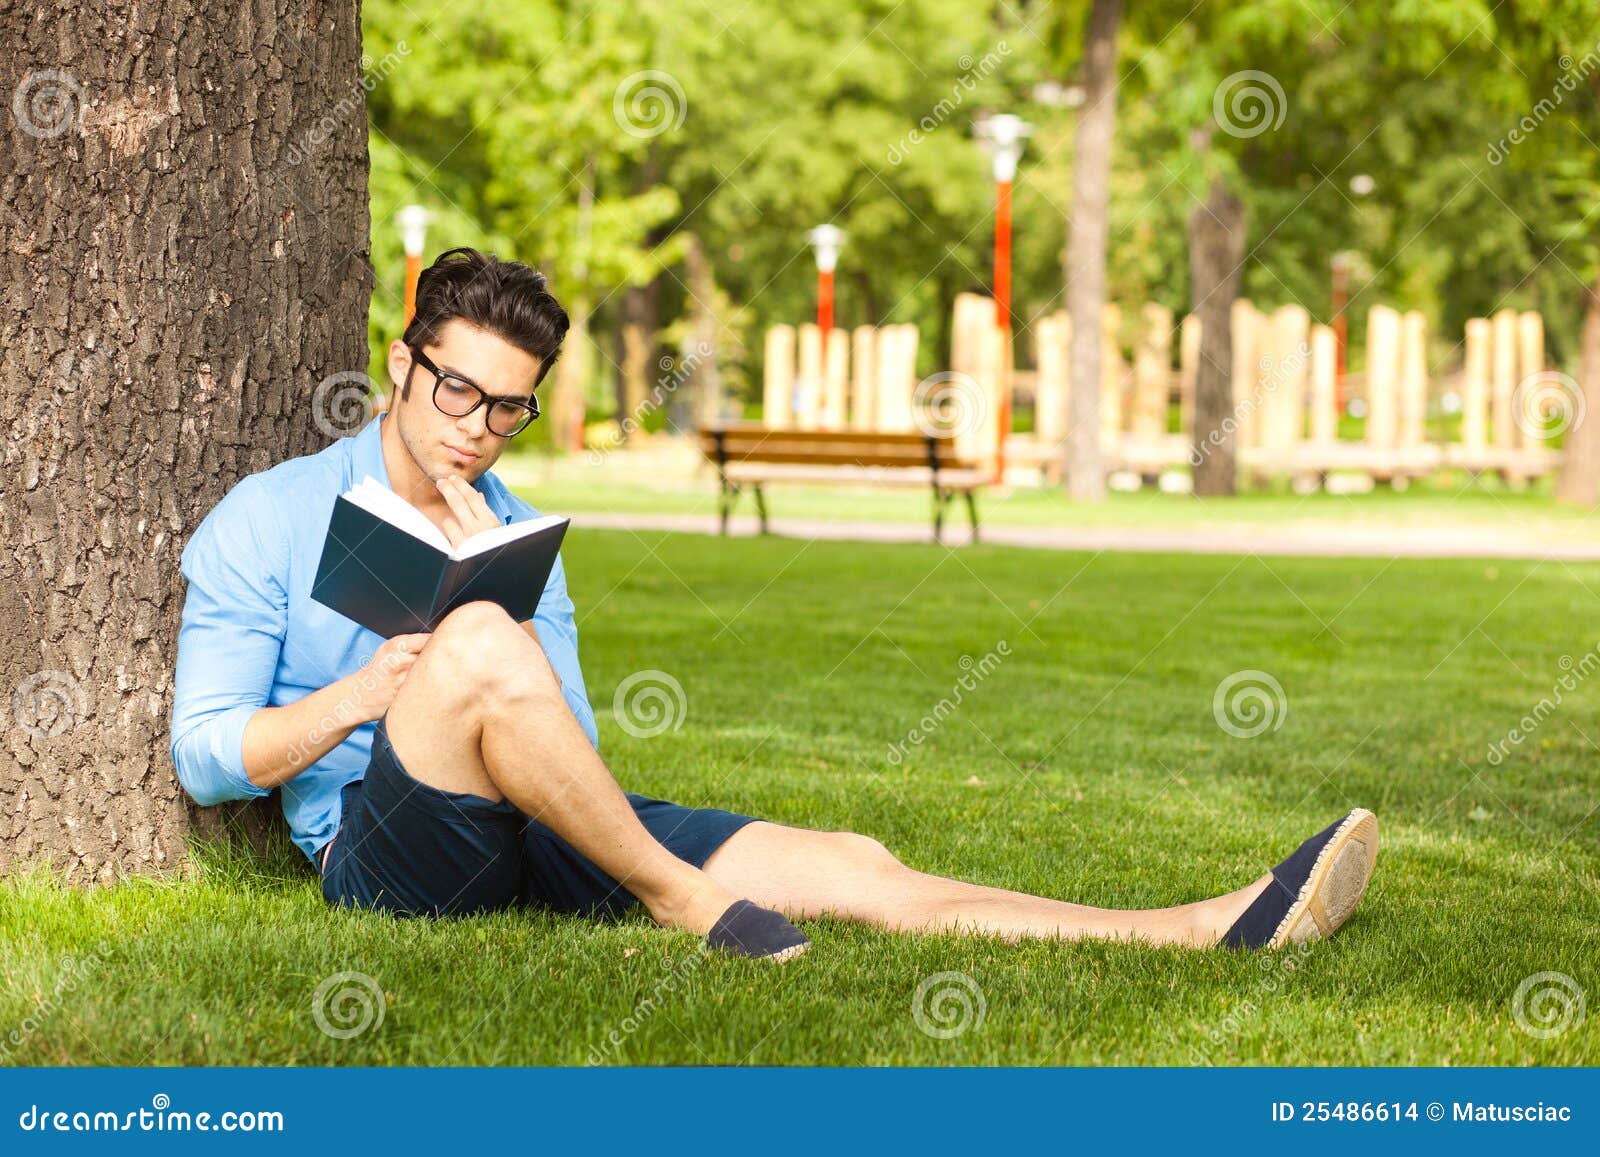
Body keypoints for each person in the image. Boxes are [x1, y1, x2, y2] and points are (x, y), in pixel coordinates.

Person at [169, 247, 1379, 961]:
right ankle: (678, 895)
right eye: (454, 390)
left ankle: (1197, 925)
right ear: (400, 360)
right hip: (381, 847)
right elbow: (209, 758)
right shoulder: (269, 517)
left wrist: (506, 599)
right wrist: (369, 689)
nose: (475, 429)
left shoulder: (510, 519)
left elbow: (567, 746)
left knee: (848, 859)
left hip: (539, 822)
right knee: (476, 642)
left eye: (506, 409)